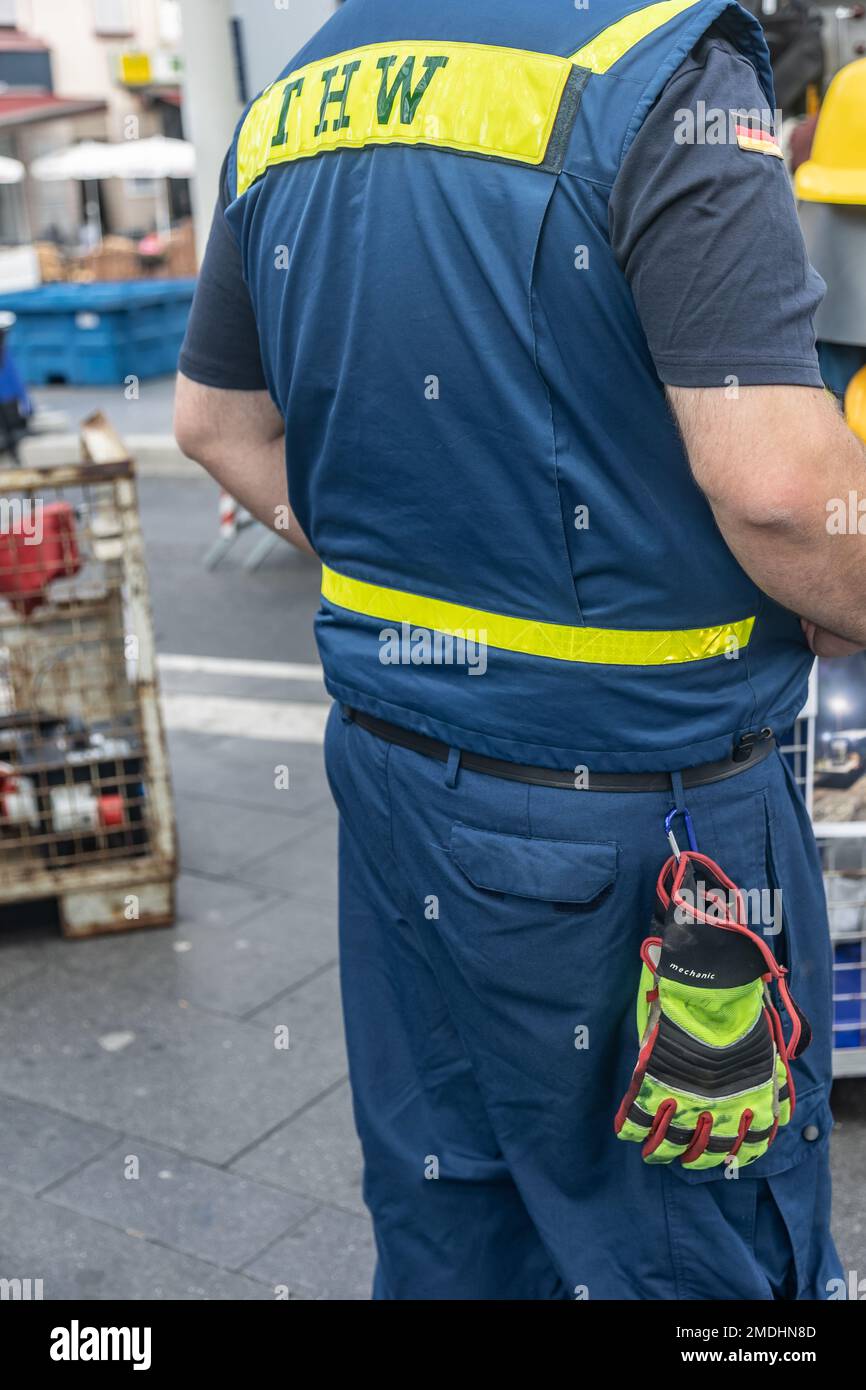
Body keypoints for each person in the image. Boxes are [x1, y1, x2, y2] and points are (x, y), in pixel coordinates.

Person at [175, 0, 866, 1300]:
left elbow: (216, 422)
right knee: (692, 1252)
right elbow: (778, 488)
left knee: (456, 1230)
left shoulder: (297, 95)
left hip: (390, 788)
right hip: (646, 830)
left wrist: (436, 591)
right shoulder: (661, 61)